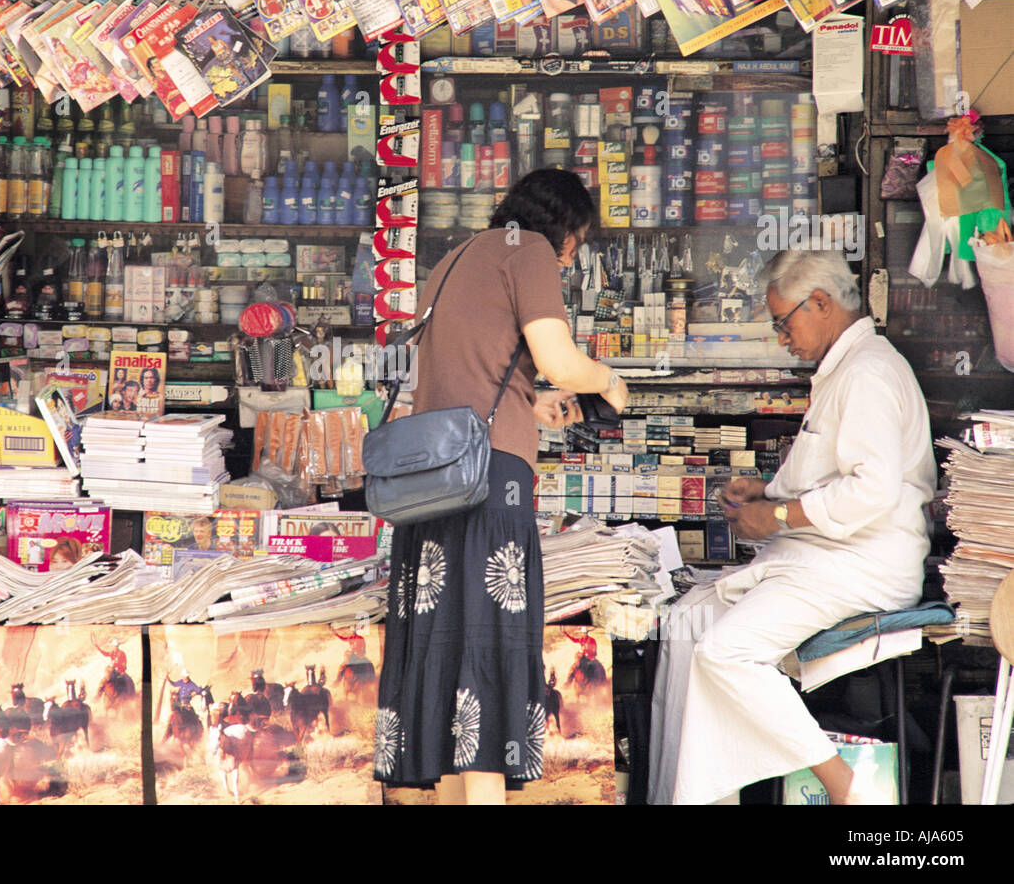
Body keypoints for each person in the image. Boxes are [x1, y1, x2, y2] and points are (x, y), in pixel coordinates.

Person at [373, 168, 628, 805]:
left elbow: (472, 375)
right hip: (491, 486)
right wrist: (607, 382)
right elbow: (557, 360)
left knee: (446, 648)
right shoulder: (532, 250)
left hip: (436, 484)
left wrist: (531, 407)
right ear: (565, 231)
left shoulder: (458, 256)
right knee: (486, 646)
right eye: (577, 244)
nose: (571, 258)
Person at [648, 249, 935, 805]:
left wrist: (777, 515)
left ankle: (841, 782)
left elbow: (870, 490)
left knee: (725, 653)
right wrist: (768, 495)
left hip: (860, 565)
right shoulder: (842, 370)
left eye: (784, 320)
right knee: (687, 626)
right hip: (825, 559)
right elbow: (829, 478)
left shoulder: (869, 372)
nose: (782, 335)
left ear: (821, 303)